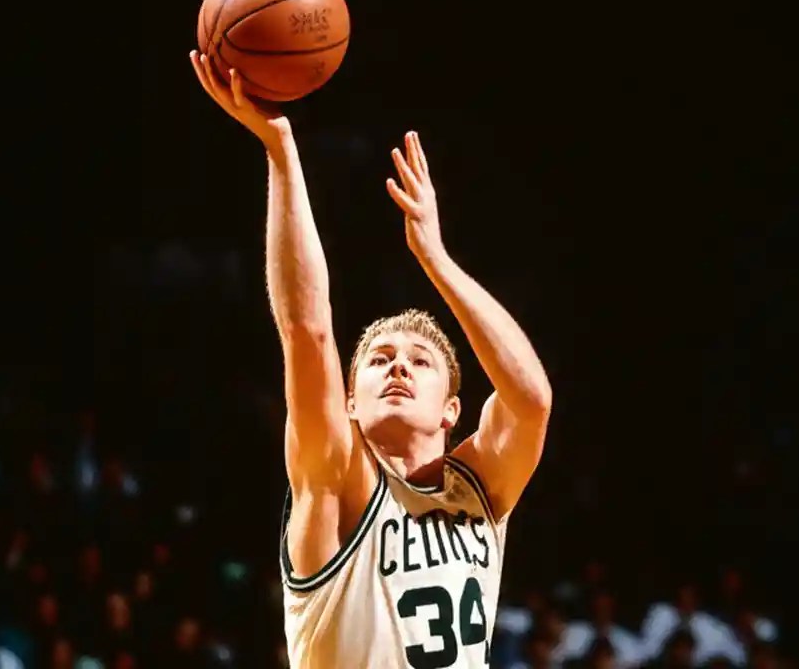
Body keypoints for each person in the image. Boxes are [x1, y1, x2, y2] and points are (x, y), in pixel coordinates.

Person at [190, 52, 554, 668]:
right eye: (379, 359)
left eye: (420, 361)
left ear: (451, 411)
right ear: (350, 402)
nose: (399, 367)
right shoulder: (339, 480)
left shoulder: (481, 490)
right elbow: (307, 331)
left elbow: (531, 399)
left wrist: (437, 260)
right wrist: (281, 151)